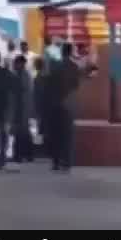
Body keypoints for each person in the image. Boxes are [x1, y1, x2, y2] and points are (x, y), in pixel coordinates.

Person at [42, 42, 83, 171]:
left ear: (62, 52)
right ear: (70, 52)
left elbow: (48, 86)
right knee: (68, 134)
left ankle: (56, 162)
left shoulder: (55, 66)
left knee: (56, 134)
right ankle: (67, 162)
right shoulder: (74, 67)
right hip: (68, 105)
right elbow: (76, 86)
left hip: (55, 104)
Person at [9, 55, 35, 162]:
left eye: (16, 63)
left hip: (22, 108)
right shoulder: (19, 75)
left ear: (21, 64)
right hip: (19, 108)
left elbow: (22, 92)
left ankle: (20, 155)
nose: (14, 65)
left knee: (21, 132)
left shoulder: (24, 76)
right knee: (22, 132)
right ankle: (24, 155)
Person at [32, 56, 49, 160]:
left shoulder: (38, 78)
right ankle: (45, 150)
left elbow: (36, 94)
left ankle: (43, 150)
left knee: (41, 128)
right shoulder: (45, 77)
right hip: (45, 106)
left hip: (40, 106)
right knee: (43, 128)